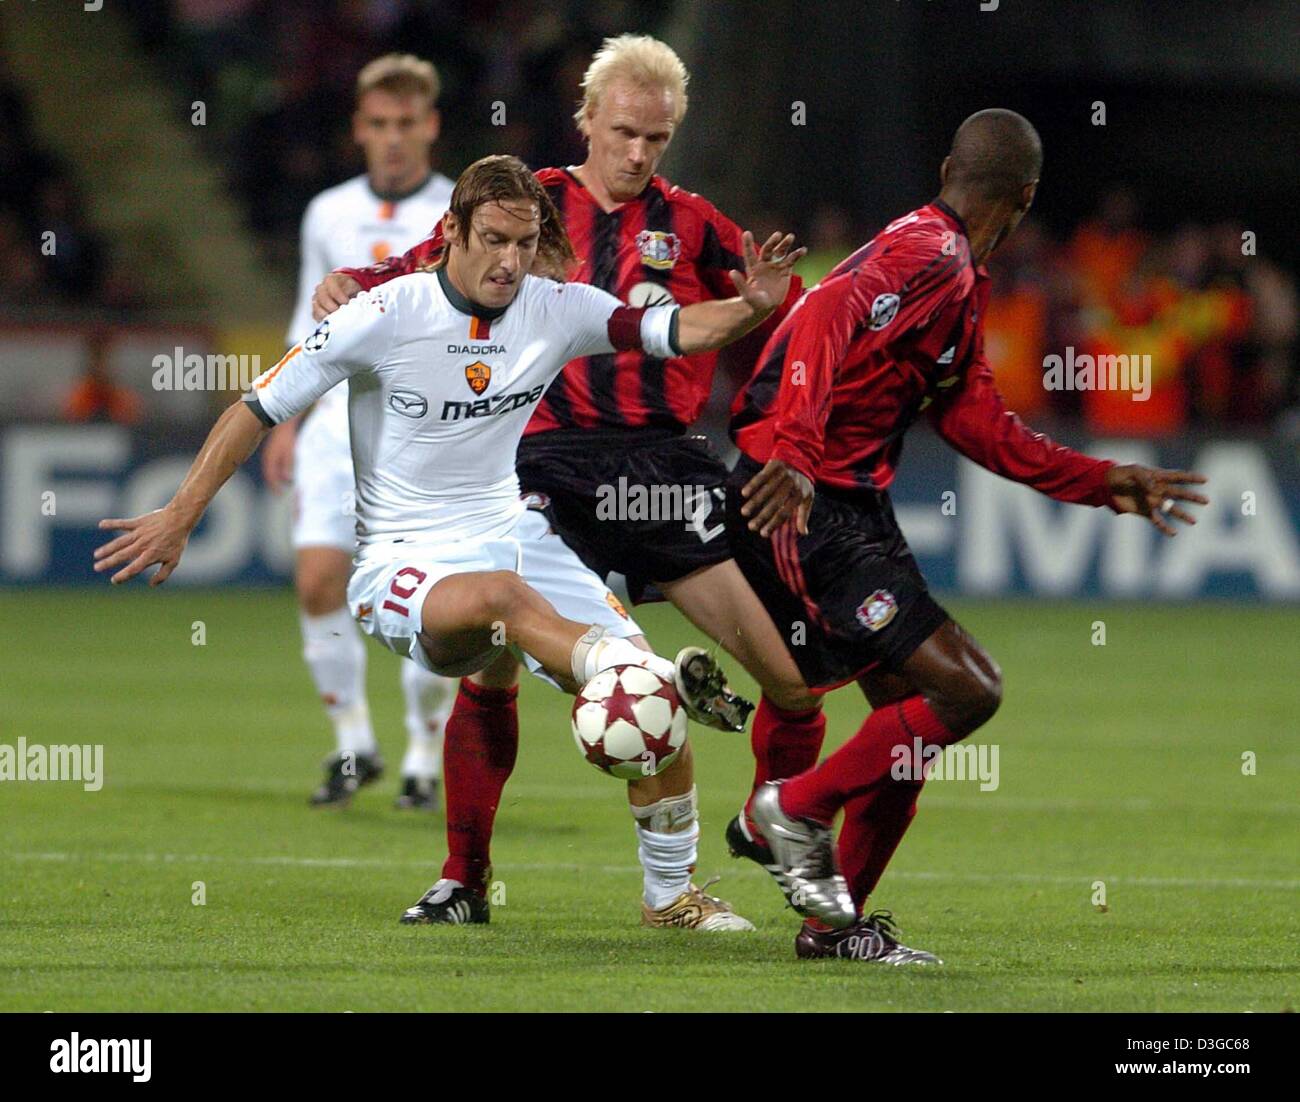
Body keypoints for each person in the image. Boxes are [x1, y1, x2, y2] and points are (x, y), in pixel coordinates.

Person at [93, 154, 802, 928]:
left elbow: (666, 330)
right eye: (493, 239)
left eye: (526, 243)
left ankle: (672, 897)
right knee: (548, 629)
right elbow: (256, 407)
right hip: (403, 562)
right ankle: (628, 668)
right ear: (454, 231)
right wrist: (181, 512)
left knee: (653, 714)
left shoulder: (555, 307)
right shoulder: (384, 314)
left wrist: (750, 309)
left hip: (514, 536)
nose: (510, 261)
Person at [309, 33, 835, 932]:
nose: (638, 153)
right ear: (588, 117)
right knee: (496, 666)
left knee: (793, 683)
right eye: (625, 131)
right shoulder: (529, 206)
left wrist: (768, 336)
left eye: (657, 139)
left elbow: (774, 319)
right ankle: (464, 880)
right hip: (542, 464)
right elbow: (423, 275)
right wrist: (350, 282)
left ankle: (766, 829)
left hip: (665, 471)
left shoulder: (697, 224)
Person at [726, 109, 1209, 963]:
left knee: (906, 734)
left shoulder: (958, 277)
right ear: (1025, 198)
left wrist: (1100, 481)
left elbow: (975, 420)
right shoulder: (930, 253)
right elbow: (830, 306)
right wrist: (798, 452)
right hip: (808, 503)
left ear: (951, 165)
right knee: (969, 689)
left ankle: (832, 929)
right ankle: (793, 807)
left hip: (849, 509)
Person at [260, 55, 459, 810]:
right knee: (317, 579)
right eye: (378, 124)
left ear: (431, 125)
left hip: (424, 429)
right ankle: (352, 747)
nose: (393, 139)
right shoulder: (328, 212)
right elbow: (305, 325)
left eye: (406, 124)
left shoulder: (460, 213)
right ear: (358, 129)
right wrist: (287, 416)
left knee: (433, 597)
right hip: (333, 416)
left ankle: (422, 749)